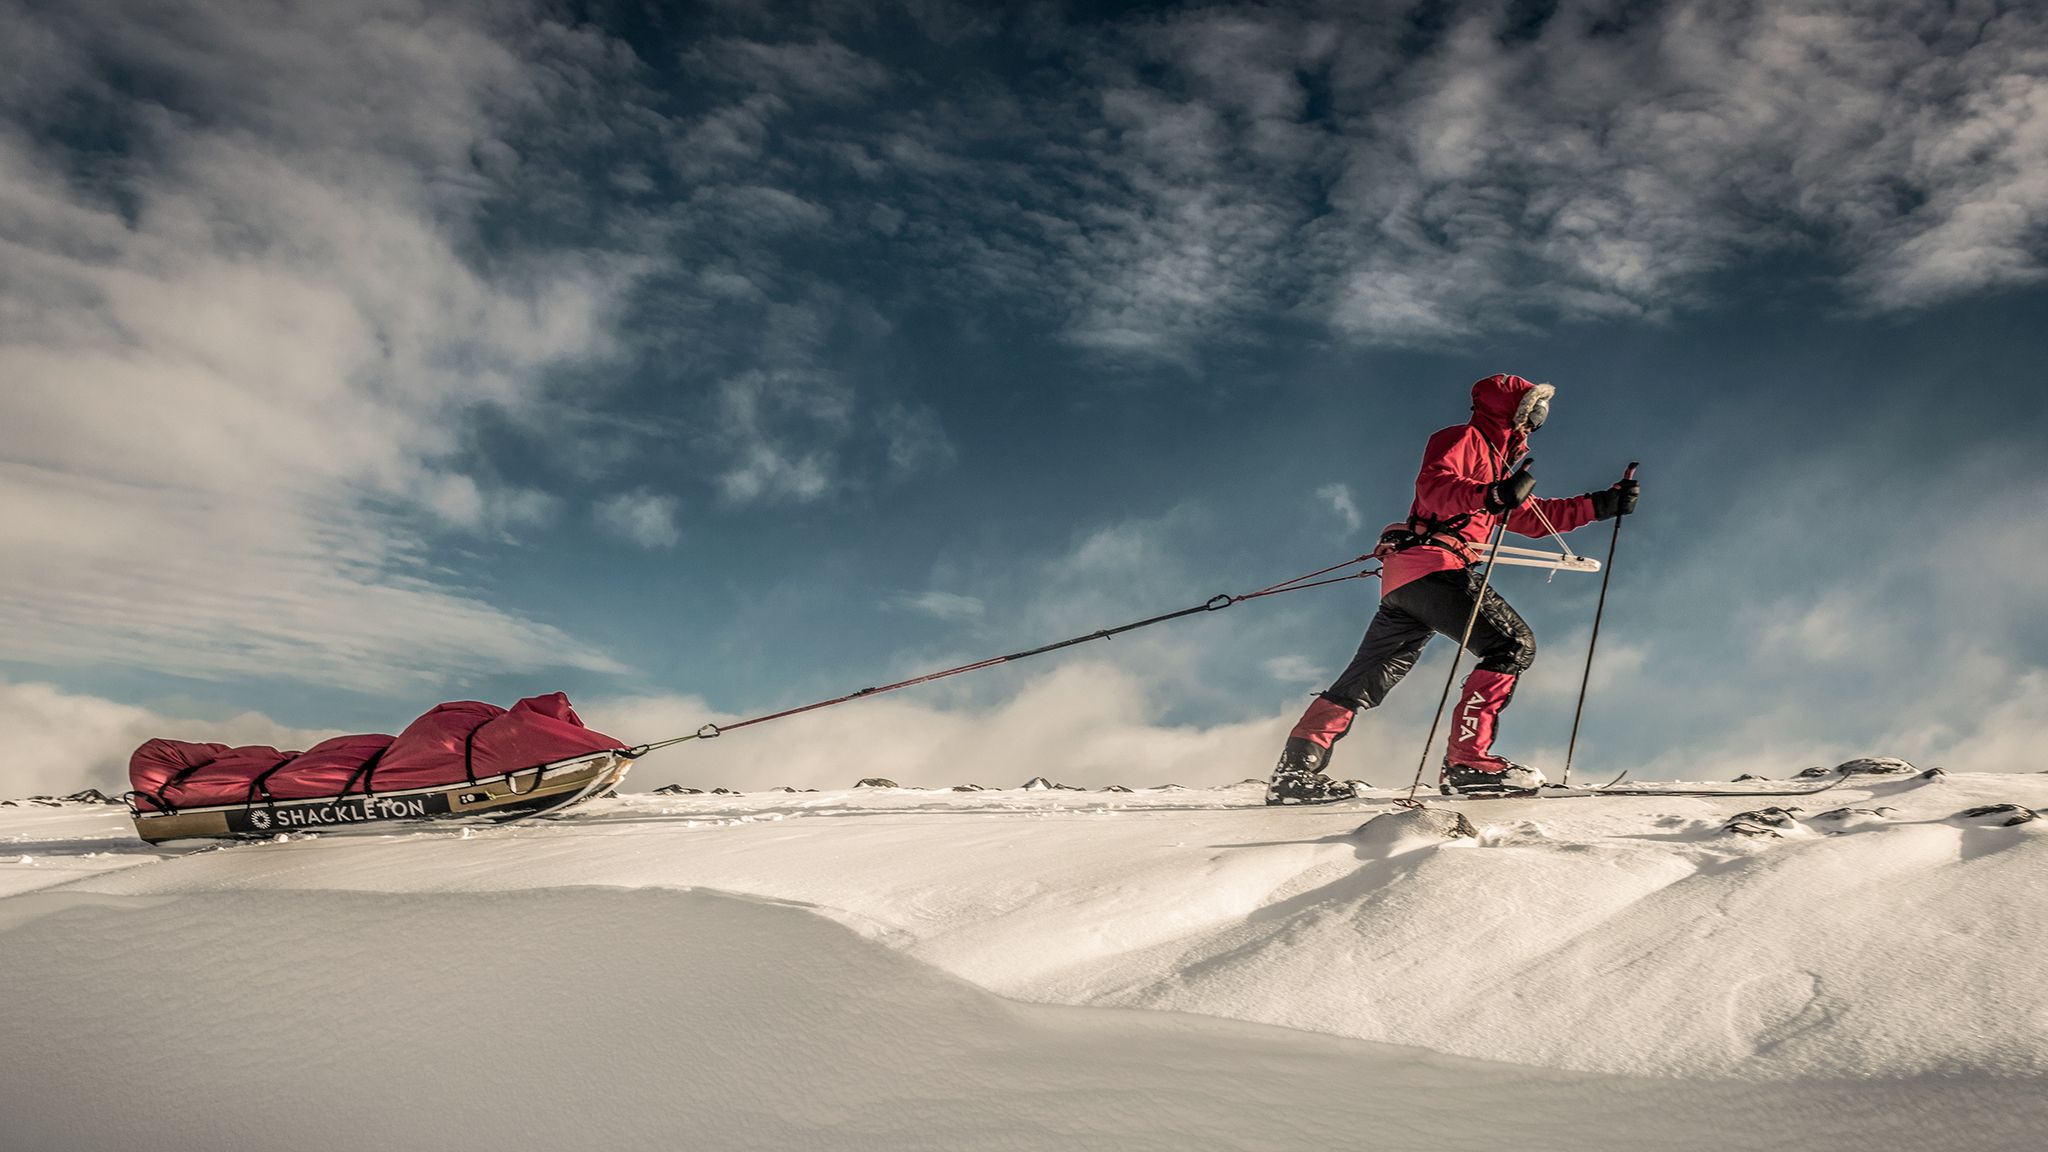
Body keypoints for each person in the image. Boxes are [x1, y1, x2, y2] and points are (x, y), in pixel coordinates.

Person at [1268, 373, 1639, 804]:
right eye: (1533, 412)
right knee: (1512, 645)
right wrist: (1493, 493)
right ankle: (1468, 764)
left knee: (1368, 676)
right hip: (1434, 565)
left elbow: (1530, 518)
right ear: (1513, 410)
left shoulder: (1498, 465)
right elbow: (1435, 487)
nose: (1536, 423)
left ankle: (1295, 773)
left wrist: (1602, 504)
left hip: (1407, 581)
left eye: (1540, 416)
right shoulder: (1461, 439)